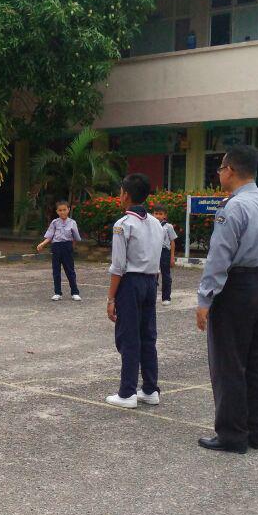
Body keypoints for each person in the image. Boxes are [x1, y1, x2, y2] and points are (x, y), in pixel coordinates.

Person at [195, 144, 258, 453]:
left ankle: (232, 435)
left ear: (230, 170)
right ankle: (255, 431)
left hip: (237, 288)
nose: (219, 174)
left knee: (229, 363)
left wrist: (205, 298)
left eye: (221, 169)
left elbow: (219, 257)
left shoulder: (233, 207)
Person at [104, 174, 163, 409]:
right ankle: (150, 389)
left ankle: (127, 392)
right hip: (151, 281)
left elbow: (118, 266)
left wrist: (111, 297)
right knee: (148, 335)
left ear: (126, 195)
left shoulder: (123, 224)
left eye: (120, 192)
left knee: (128, 337)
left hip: (131, 283)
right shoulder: (156, 223)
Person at [36, 201, 82, 301]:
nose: (62, 212)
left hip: (67, 247)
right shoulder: (55, 223)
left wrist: (71, 247)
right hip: (56, 247)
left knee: (70, 270)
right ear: (57, 211)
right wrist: (42, 244)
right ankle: (57, 292)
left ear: (68, 210)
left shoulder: (72, 223)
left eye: (64, 210)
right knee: (56, 271)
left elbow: (75, 237)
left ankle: (75, 292)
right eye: (60, 210)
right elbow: (49, 236)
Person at [154, 205, 178, 304]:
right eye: (156, 213)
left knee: (166, 275)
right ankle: (152, 297)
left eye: (160, 214)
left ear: (165, 215)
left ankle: (166, 297)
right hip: (154, 251)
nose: (158, 216)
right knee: (153, 274)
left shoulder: (168, 226)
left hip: (165, 252)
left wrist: (172, 257)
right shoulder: (151, 225)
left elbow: (172, 242)